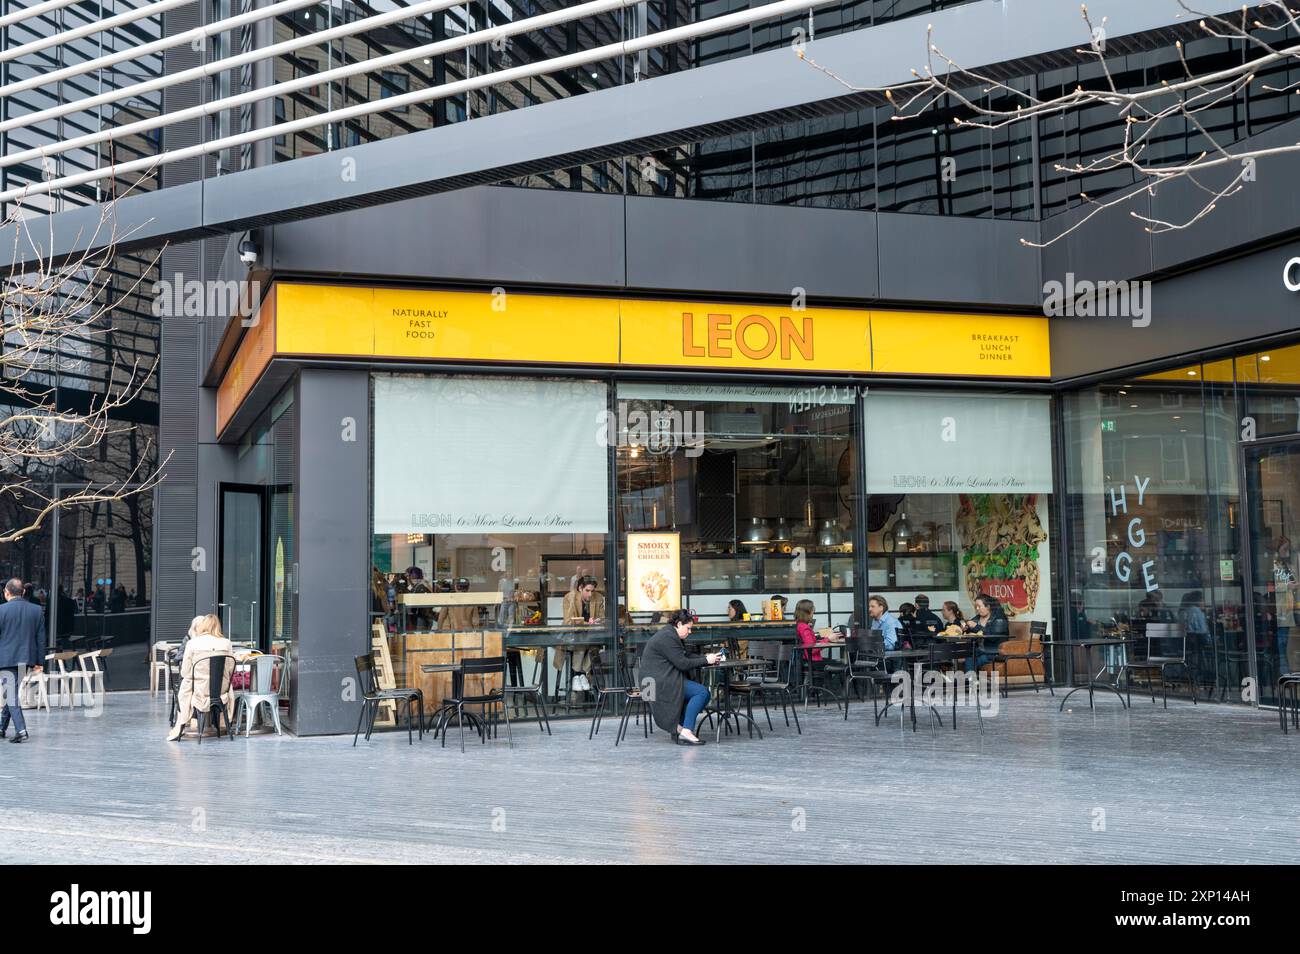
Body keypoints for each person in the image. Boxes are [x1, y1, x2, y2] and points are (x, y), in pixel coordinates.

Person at [639, 609, 721, 746]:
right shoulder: (667, 637)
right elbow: (682, 663)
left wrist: (707, 658)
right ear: (678, 624)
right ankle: (686, 731)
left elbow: (685, 656)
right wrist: (706, 660)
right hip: (654, 683)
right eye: (688, 628)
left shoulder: (670, 634)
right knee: (702, 692)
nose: (690, 632)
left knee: (699, 692)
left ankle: (680, 728)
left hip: (659, 678)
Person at [167, 614, 235, 741]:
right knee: (227, 684)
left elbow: (185, 672)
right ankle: (222, 721)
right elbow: (230, 669)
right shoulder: (226, 643)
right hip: (221, 690)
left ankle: (181, 723)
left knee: (186, 684)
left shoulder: (192, 643)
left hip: (200, 690)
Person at [0, 578, 46, 743]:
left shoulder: (1, 610)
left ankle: (21, 730)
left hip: (5, 660)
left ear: (6, 592)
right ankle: (2, 727)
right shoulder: (36, 610)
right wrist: (39, 662)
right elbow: (41, 639)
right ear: (24, 591)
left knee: (10, 695)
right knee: (11, 693)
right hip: (25, 659)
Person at [556, 576, 605, 692]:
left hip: (591, 636)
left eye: (592, 591)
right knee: (582, 643)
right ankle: (578, 674)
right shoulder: (569, 598)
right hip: (572, 637)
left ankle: (580, 675)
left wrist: (597, 621)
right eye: (587, 591)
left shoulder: (598, 598)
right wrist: (588, 623)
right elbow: (569, 621)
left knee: (595, 646)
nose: (590, 594)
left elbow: (602, 619)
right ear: (580, 588)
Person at [963, 593, 1011, 672]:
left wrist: (975, 627)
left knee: (974, 659)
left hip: (995, 652)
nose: (977, 609)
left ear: (988, 606)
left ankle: (970, 681)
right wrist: (966, 628)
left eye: (979, 606)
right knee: (968, 653)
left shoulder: (1000, 619)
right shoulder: (978, 618)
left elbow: (992, 637)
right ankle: (970, 680)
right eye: (976, 607)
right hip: (982, 650)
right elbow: (970, 626)